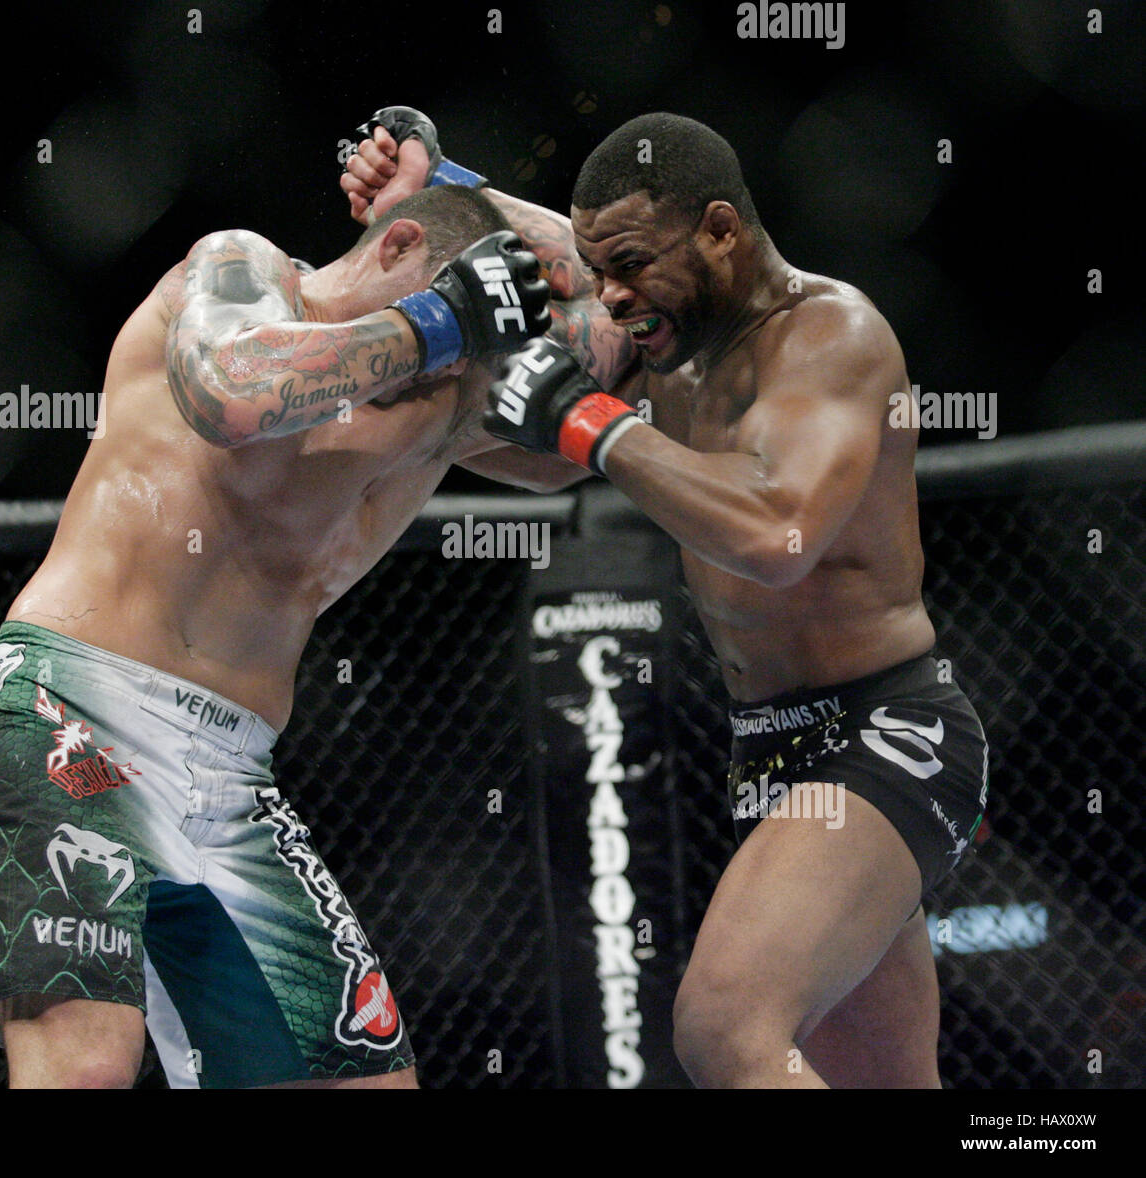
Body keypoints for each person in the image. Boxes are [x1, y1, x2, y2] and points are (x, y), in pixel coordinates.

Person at [0, 161, 627, 1088]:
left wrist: (451, 175)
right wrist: (439, 317)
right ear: (399, 247)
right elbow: (232, 395)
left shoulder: (450, 400)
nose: (470, 362)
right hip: (74, 707)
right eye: (462, 317)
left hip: (232, 774)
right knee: (83, 1067)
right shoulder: (245, 273)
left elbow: (606, 370)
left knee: (361, 1084)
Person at [353, 111, 990, 1088]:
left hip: (886, 731)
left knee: (725, 1027)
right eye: (603, 271)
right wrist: (438, 195)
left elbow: (776, 534)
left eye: (634, 265)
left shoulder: (828, 339)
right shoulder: (659, 334)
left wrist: (586, 417)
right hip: (768, 744)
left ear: (722, 233)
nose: (610, 294)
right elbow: (537, 461)